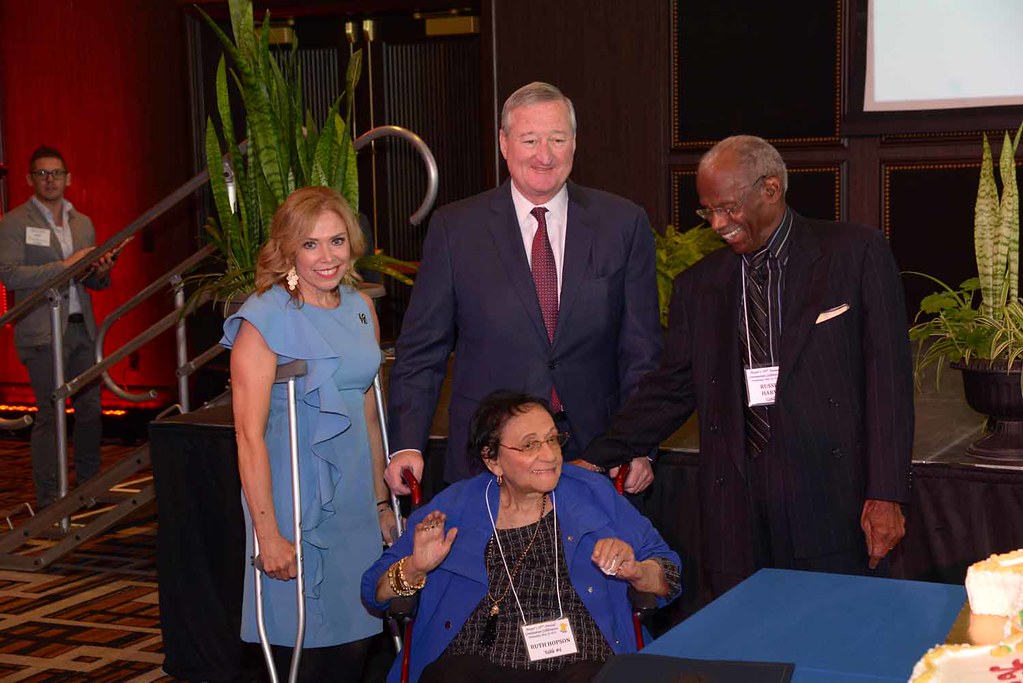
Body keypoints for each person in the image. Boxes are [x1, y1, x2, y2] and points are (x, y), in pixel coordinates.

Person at [584, 135, 914, 597]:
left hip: (829, 498)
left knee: (832, 639)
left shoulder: (854, 255)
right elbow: (671, 389)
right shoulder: (698, 286)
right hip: (734, 505)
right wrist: (595, 456)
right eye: (708, 211)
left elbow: (889, 382)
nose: (718, 223)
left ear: (771, 189)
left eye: (729, 207)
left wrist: (887, 493)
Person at [384, 81, 662, 498]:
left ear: (574, 143)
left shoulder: (622, 223)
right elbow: (423, 349)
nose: (544, 155)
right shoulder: (455, 229)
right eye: (530, 140)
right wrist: (406, 443)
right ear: (504, 143)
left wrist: (638, 443)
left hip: (598, 455)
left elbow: (641, 351)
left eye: (557, 139)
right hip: (490, 456)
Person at [363, 390, 681, 683]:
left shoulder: (591, 493)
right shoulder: (454, 506)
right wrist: (416, 567)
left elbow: (670, 575)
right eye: (530, 444)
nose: (549, 455)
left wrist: (637, 571)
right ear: (492, 458)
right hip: (478, 663)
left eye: (553, 440)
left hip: (581, 662)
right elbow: (373, 590)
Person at [221, 186, 397, 680]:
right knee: (307, 648)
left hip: (355, 504)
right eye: (311, 244)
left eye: (337, 241)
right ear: (289, 249)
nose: (327, 256)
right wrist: (267, 534)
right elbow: (247, 437)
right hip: (293, 502)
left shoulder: (361, 306)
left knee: (358, 644)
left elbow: (368, 410)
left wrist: (382, 504)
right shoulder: (264, 318)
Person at [0, 145, 116, 508]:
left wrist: (101, 268)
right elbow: (9, 273)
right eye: (42, 174)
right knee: (51, 413)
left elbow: (95, 283)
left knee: (91, 409)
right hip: (42, 330)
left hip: (83, 327)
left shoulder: (82, 222)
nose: (50, 180)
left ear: (68, 178)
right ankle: (50, 498)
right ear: (29, 179)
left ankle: (88, 488)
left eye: (57, 173)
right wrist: (67, 264)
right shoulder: (14, 222)